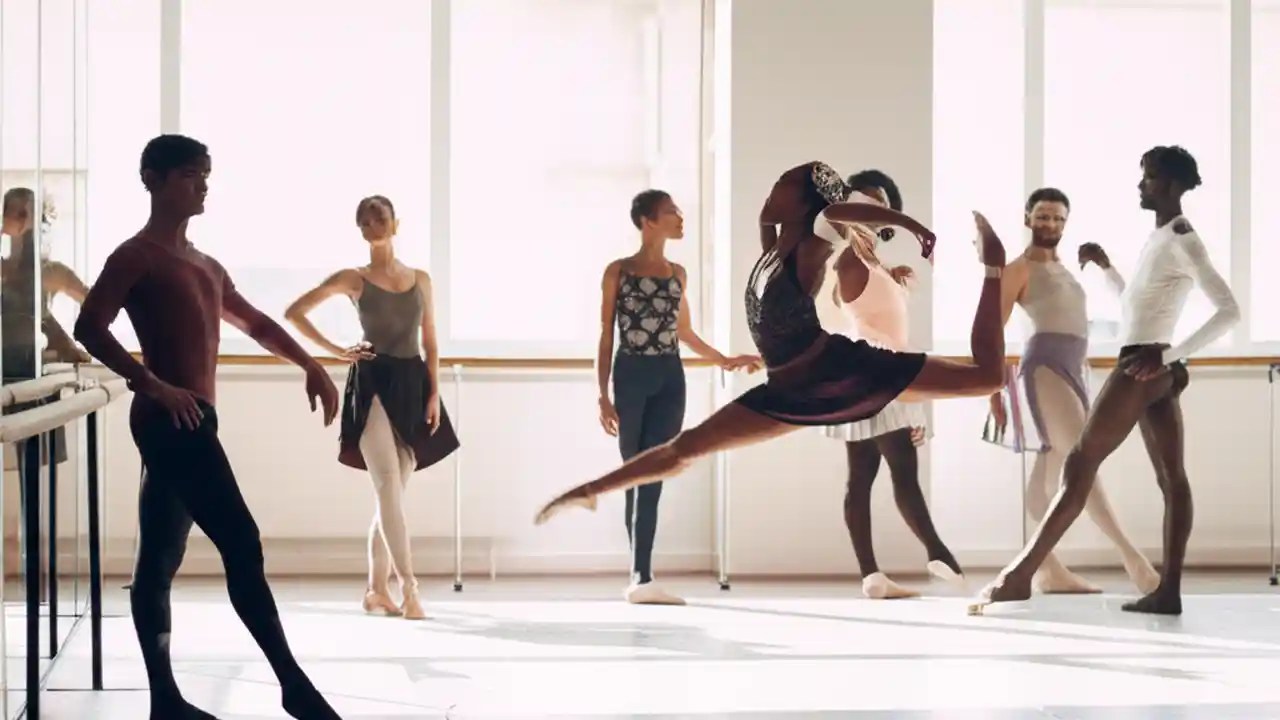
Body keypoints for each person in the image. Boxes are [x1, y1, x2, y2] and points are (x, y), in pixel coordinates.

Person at [533, 161, 1008, 526]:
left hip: (837, 368)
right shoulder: (772, 254)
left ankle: (993, 267)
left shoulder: (814, 240)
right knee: (686, 448)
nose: (773, 191)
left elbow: (840, 210)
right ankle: (592, 489)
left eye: (784, 185)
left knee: (986, 377)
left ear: (803, 203)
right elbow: (771, 219)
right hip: (787, 389)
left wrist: (909, 224)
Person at [73, 134, 344, 720]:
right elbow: (89, 327)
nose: (202, 185)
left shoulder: (206, 264)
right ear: (153, 178)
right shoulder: (135, 256)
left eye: (206, 175)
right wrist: (152, 384)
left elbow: (256, 323)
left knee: (160, 559)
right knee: (242, 542)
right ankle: (295, 686)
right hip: (170, 419)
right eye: (191, 175)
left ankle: (165, 702)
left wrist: (311, 363)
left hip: (196, 417)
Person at [976, 146, 1239, 616]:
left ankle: (1019, 576)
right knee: (1170, 478)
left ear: (1174, 185)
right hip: (1154, 367)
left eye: (1150, 177)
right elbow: (1137, 306)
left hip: (1142, 366)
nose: (1142, 185)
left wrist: (1171, 356)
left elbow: (1229, 311)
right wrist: (1106, 268)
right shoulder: (1159, 237)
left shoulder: (1182, 237)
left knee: (1079, 464)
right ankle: (1168, 591)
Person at [284, 194, 459, 620]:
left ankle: (375, 590)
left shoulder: (421, 279)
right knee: (386, 486)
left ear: (395, 223)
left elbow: (430, 339)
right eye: (364, 220)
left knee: (393, 495)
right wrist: (337, 351)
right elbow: (295, 312)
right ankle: (410, 590)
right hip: (374, 385)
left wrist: (433, 392)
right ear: (360, 230)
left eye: (379, 217)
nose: (372, 224)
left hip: (413, 386)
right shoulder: (354, 278)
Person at [986, 187, 1158, 596]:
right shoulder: (1018, 269)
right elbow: (991, 330)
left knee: (1050, 467)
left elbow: (1128, 305)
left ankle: (1049, 570)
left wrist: (1106, 266)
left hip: (1075, 367)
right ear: (1027, 217)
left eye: (1058, 218)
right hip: (1043, 365)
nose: (1050, 225)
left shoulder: (1066, 268)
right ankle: (1134, 560)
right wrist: (991, 388)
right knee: (1084, 461)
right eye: (1043, 216)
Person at [595, 189, 759, 605]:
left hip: (670, 378)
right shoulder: (618, 270)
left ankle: (641, 576)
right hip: (630, 375)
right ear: (649, 221)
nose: (681, 217)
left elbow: (683, 332)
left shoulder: (678, 273)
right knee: (635, 473)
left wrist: (724, 360)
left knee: (654, 473)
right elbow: (605, 334)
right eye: (672, 212)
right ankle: (640, 575)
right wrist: (602, 394)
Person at [815, 170, 962, 599]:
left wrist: (890, 276)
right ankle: (940, 554)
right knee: (901, 472)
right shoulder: (848, 256)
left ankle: (873, 576)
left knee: (862, 475)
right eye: (866, 201)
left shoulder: (873, 261)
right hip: (873, 371)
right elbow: (848, 295)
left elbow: (875, 314)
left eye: (882, 203)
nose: (874, 209)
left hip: (876, 370)